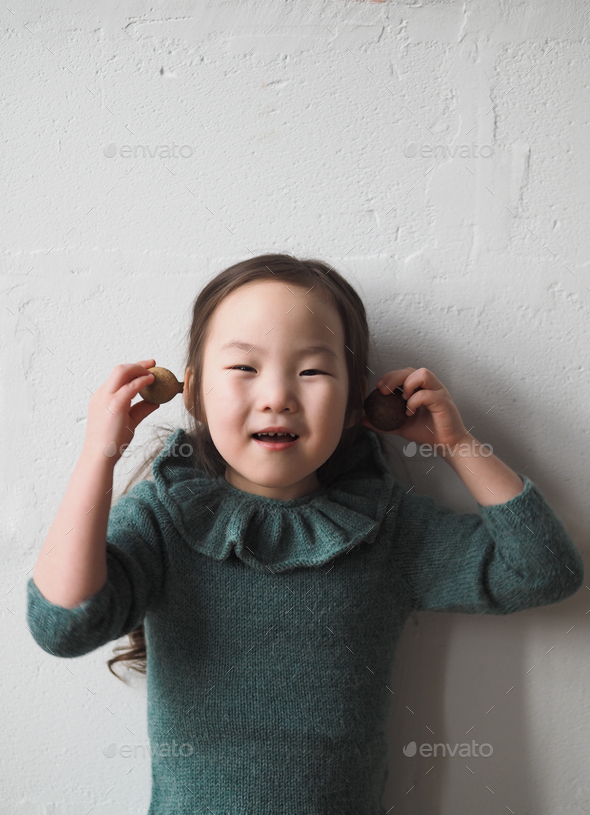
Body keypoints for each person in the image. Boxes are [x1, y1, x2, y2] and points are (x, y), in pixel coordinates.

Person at [27, 253, 584, 815]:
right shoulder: (164, 517)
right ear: (193, 392)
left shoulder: (386, 529)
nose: (277, 396)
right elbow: (63, 623)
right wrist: (99, 455)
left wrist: (460, 446)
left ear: (353, 403)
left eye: (312, 371)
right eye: (244, 368)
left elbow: (544, 572)